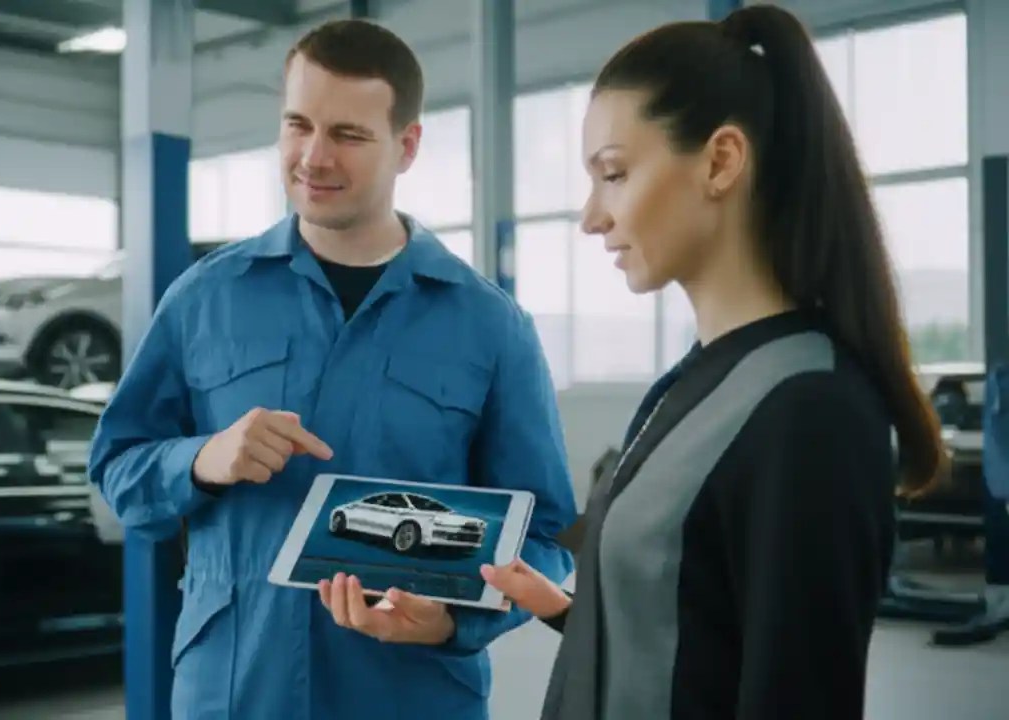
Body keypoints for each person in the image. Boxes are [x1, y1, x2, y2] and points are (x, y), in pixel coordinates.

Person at [87, 18, 578, 720]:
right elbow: (117, 470)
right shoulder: (204, 298)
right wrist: (201, 459)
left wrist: (452, 621)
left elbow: (546, 534)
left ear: (406, 145)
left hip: (408, 695)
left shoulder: (489, 325)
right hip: (234, 693)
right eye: (297, 125)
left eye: (348, 134)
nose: (313, 157)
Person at [480, 4, 946, 720]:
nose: (592, 217)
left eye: (614, 174)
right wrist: (568, 607)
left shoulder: (809, 410)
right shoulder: (697, 378)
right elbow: (696, 627)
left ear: (721, 161)